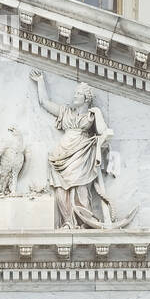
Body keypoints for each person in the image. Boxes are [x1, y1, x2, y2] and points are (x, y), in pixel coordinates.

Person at [30, 69, 114, 229]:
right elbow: (45, 103)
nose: (74, 96)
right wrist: (40, 81)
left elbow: (103, 132)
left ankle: (84, 220)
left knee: (82, 188)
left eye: (78, 94)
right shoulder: (65, 112)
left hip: (82, 152)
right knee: (60, 188)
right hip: (62, 154)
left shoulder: (91, 115)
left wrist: (98, 114)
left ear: (85, 98)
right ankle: (68, 221)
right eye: (75, 93)